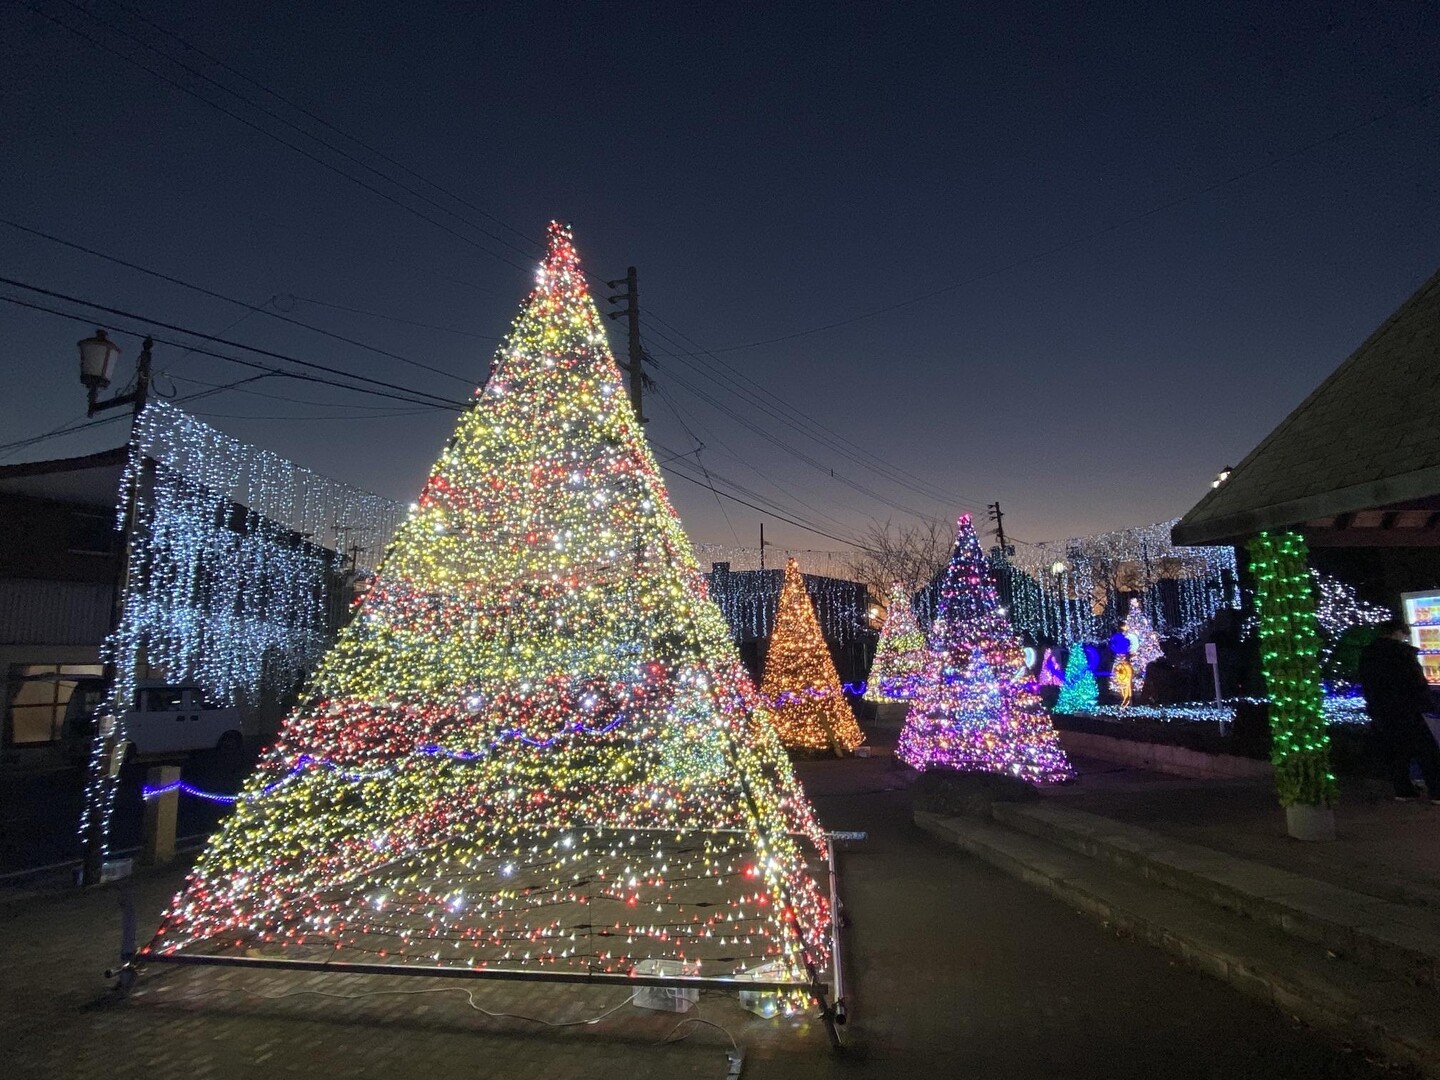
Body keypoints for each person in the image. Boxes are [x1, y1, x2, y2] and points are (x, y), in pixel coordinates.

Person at [1358, 618, 1440, 801]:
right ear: (1397, 633)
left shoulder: (1368, 654)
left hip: (1382, 710)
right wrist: (1428, 704)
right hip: (1407, 709)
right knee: (1428, 751)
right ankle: (1437, 791)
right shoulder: (1402, 654)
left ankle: (1403, 790)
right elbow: (1416, 681)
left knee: (1397, 751)